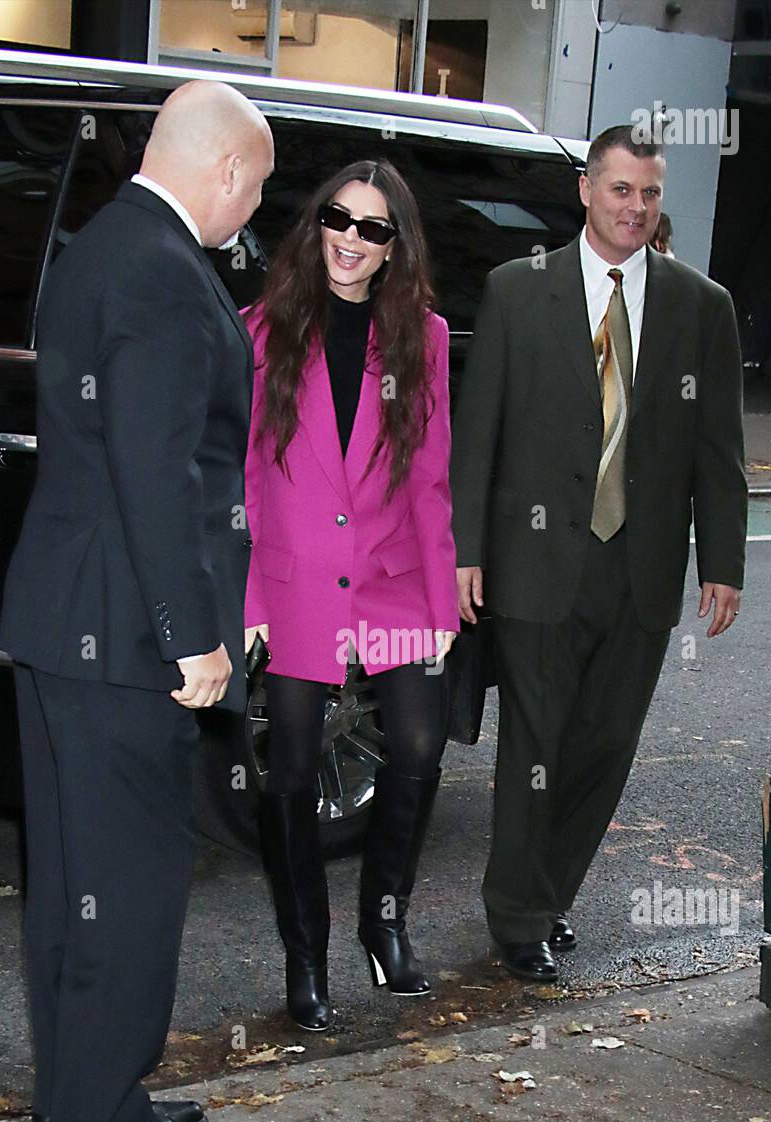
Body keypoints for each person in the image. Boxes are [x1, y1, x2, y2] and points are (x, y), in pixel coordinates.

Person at [0, 81, 274, 1122]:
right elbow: (154, 474)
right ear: (219, 171)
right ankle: (104, 1119)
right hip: (123, 636)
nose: (251, 210)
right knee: (132, 876)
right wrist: (192, 637)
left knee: (72, 878)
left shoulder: (98, 246)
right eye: (253, 187)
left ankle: (75, 1103)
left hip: (60, 621)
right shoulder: (163, 274)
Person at [450, 125, 748, 983]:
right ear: (587, 190)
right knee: (535, 746)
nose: (636, 208)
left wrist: (722, 563)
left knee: (605, 743)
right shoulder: (518, 291)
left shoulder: (702, 307)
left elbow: (718, 451)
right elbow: (481, 436)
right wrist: (465, 550)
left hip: (641, 571)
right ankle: (516, 918)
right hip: (536, 564)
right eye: (621, 190)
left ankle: (547, 897)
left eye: (650, 194)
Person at [242, 159, 459, 1031]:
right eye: (340, 219)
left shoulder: (424, 338)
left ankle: (386, 920)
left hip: (394, 577)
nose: (351, 242)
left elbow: (431, 479)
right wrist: (251, 595)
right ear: (317, 222)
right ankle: (307, 956)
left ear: (394, 247)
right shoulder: (265, 328)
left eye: (374, 229)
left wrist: (440, 609)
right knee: (290, 769)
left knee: (416, 743)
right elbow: (246, 471)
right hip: (294, 579)